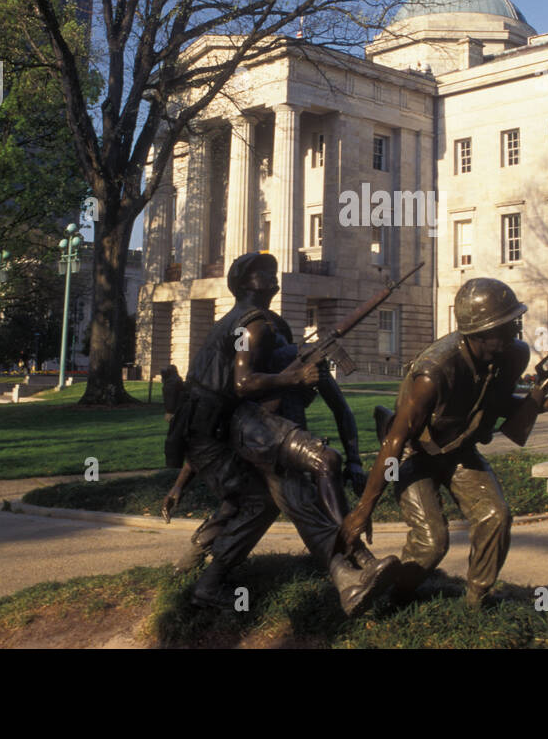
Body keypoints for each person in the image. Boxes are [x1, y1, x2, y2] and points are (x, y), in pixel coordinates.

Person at [167, 251, 394, 615]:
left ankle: (348, 570)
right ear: (243, 283)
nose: (274, 279)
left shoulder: (256, 329)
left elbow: (338, 409)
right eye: (265, 274)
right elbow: (236, 388)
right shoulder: (249, 328)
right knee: (266, 499)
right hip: (223, 431)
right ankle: (348, 566)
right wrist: (293, 377)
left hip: (230, 431)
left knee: (270, 497)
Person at [339, 278, 548, 607]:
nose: (514, 333)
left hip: (459, 449)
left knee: (496, 516)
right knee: (432, 542)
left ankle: (476, 600)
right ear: (480, 332)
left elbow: (497, 403)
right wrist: (363, 510)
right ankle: (395, 597)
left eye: (514, 323)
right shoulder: (433, 372)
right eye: (506, 326)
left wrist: (544, 403)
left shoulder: (512, 355)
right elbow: (395, 441)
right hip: (413, 455)